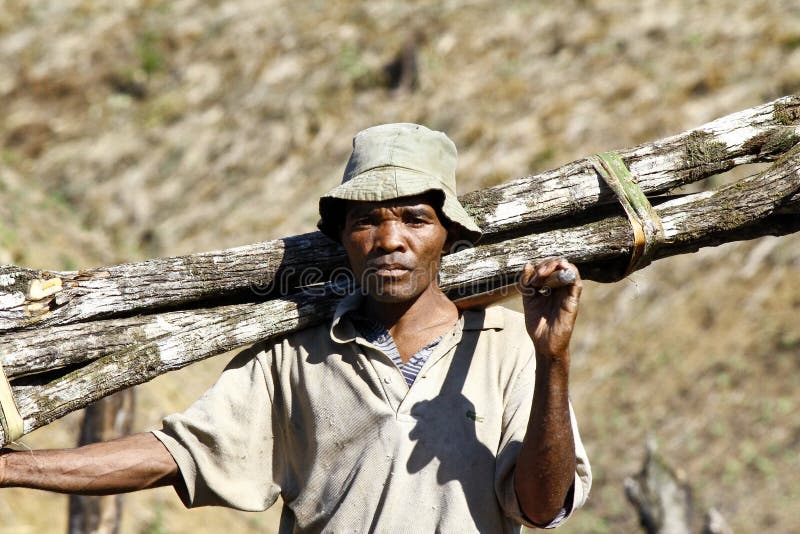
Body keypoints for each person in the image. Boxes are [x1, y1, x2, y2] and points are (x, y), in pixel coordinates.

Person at [0, 123, 591, 532]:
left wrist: (553, 358)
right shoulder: (293, 354)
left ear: (448, 235)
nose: (389, 240)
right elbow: (173, 454)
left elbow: (541, 509)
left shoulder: (510, 348)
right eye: (366, 221)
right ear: (341, 238)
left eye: (415, 218)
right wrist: (11, 469)